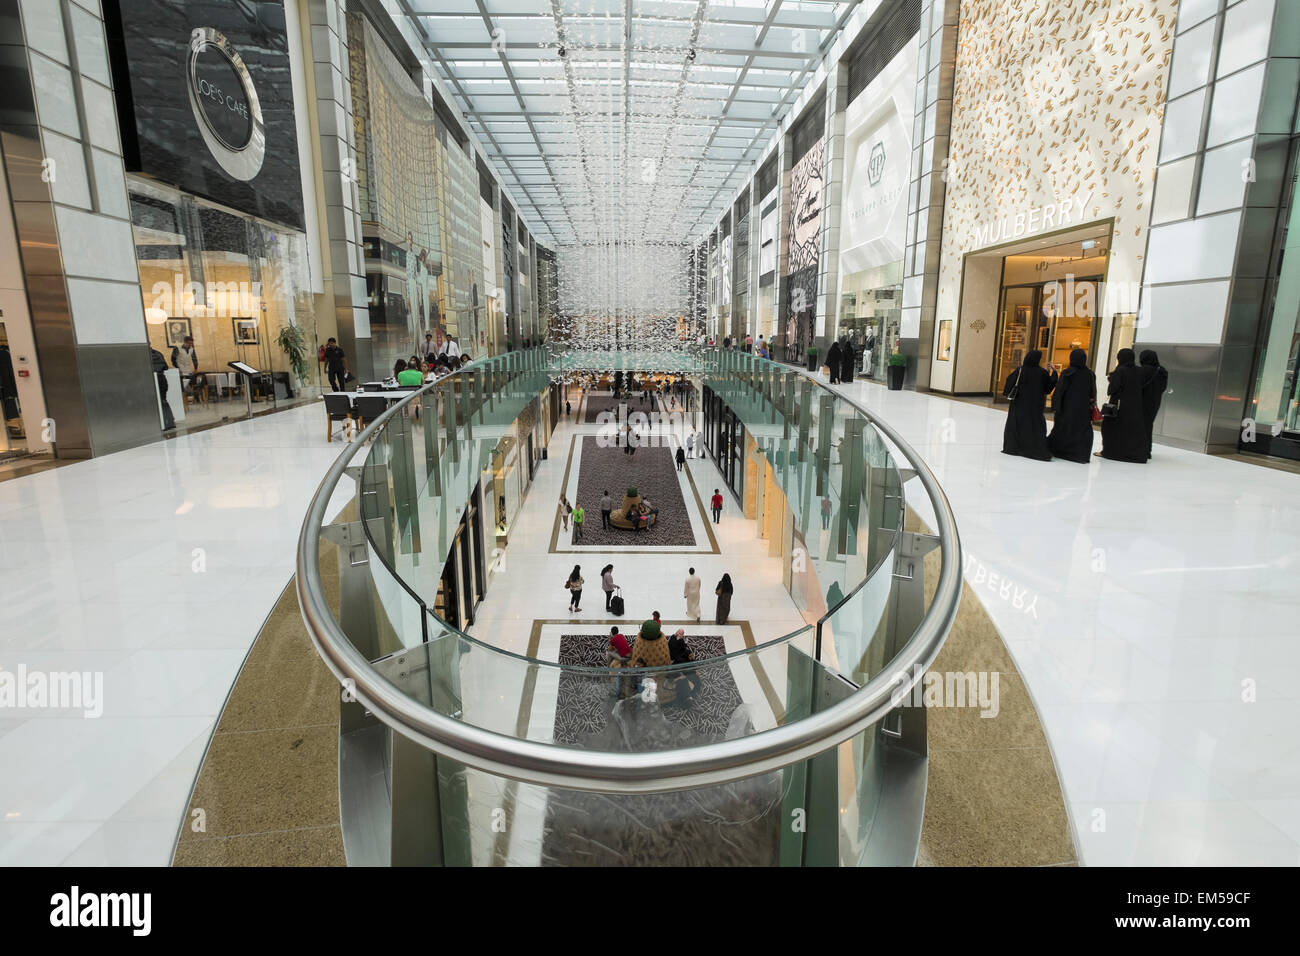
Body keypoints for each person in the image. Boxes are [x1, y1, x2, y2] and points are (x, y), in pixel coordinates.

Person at [1001, 349, 1058, 461]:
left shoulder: (1020, 370)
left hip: (1019, 405)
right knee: (1034, 426)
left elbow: (1008, 385)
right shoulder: (1042, 373)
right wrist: (1054, 372)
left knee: (1017, 425)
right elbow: (1048, 387)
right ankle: (1032, 448)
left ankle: (1014, 447)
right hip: (1034, 407)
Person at [1047, 348, 1096, 463]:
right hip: (1083, 409)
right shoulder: (1090, 374)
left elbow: (1059, 391)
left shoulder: (1068, 373)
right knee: (1080, 430)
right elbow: (1092, 391)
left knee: (1064, 429)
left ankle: (1061, 451)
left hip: (1067, 408)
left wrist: (1056, 407)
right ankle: (1079, 454)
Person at [1099, 348, 1148, 462]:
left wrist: (1111, 379)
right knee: (1131, 431)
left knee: (1110, 428)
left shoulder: (1120, 370)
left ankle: (1110, 451)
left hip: (1119, 407)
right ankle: (1130, 453)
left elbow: (1112, 390)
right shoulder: (1140, 371)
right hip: (1135, 407)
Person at [1139, 349, 1168, 461]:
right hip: (1155, 401)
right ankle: (1147, 450)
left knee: (1140, 425)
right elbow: (1163, 388)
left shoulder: (1143, 371)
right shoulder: (1162, 372)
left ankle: (1140, 449)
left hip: (1142, 401)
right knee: (1148, 425)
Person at [151, 347, 175, 430]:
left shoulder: (144, 355)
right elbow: (166, 367)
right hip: (162, 379)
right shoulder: (158, 353)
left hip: (153, 380)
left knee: (157, 402)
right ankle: (170, 422)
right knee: (163, 400)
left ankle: (163, 423)